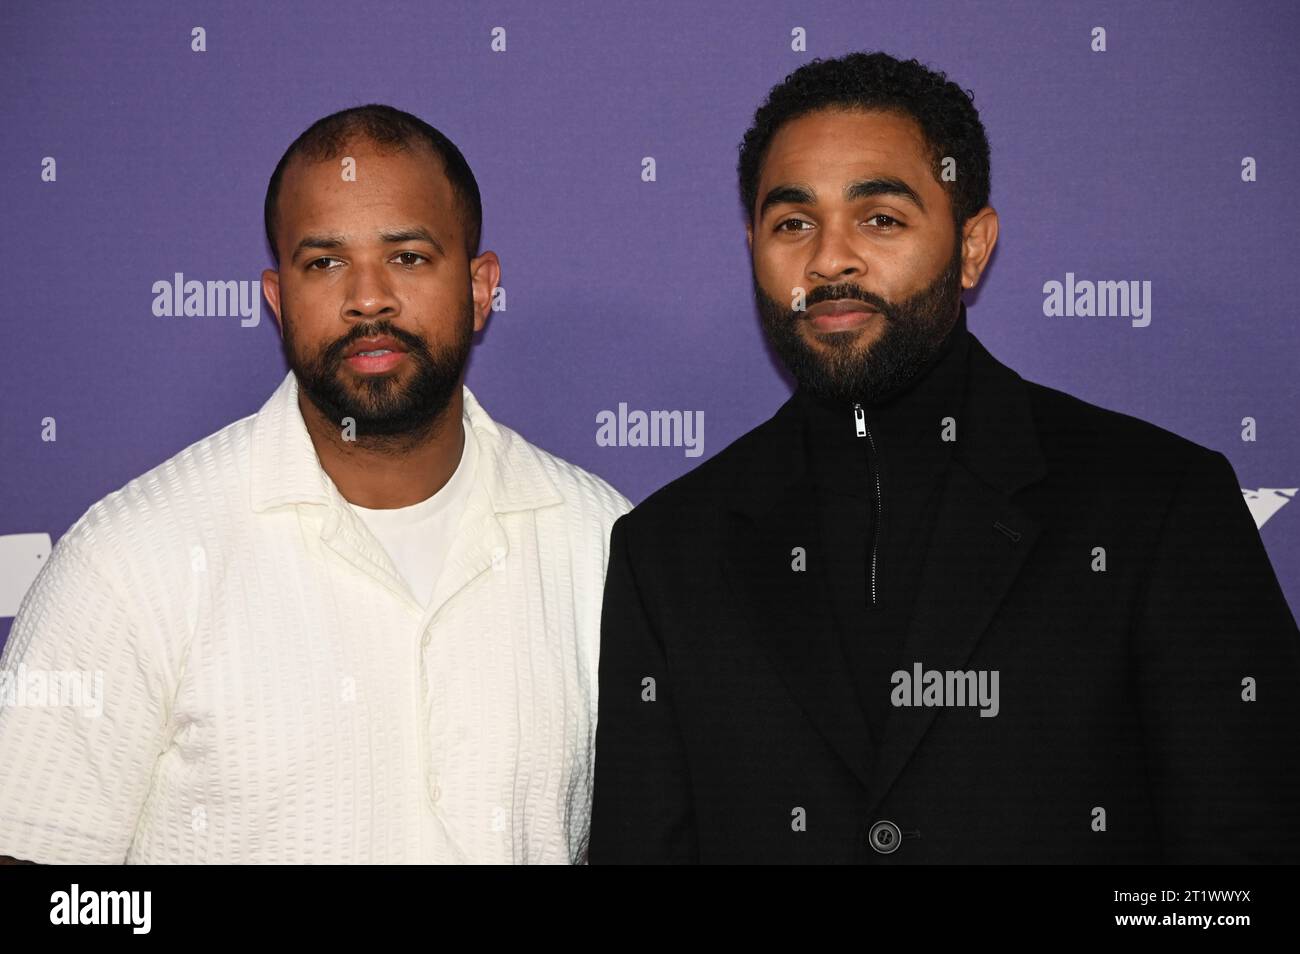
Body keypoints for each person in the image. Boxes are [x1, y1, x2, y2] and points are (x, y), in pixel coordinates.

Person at [588, 52, 1300, 863]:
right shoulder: (670, 548)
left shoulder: (1157, 505)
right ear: (752, 244)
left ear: (972, 246)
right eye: (793, 223)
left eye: (880, 218)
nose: (830, 260)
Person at [0, 104, 629, 864]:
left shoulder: (597, 544)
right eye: (324, 262)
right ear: (276, 299)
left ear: (480, 286)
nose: (368, 299)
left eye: (408, 257)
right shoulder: (128, 561)